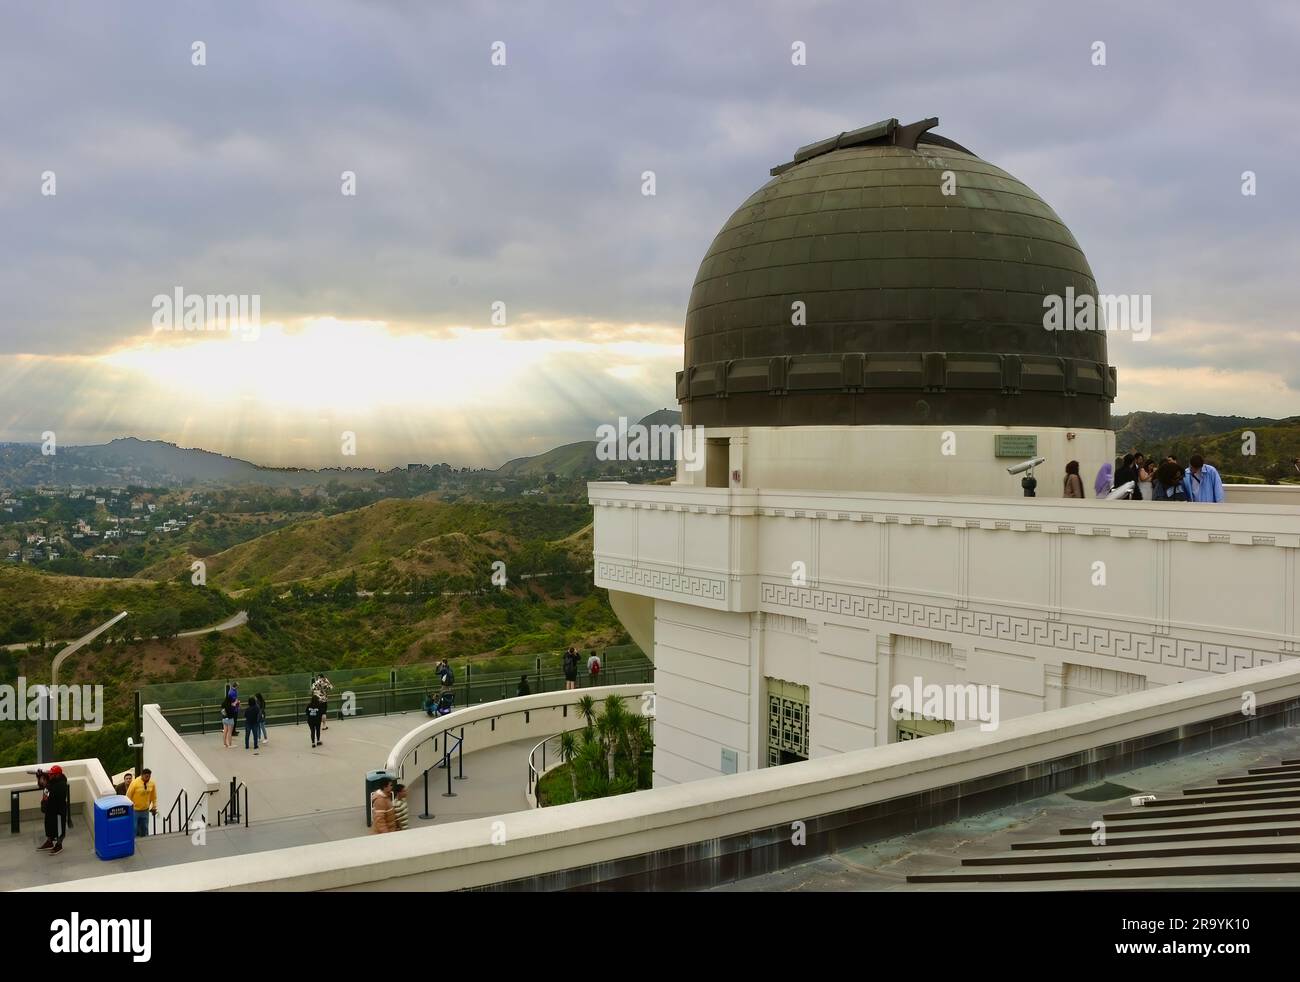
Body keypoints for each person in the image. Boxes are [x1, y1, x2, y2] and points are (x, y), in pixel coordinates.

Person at [39, 764, 70, 855]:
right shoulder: (53, 781)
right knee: (49, 825)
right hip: (50, 810)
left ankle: (59, 845)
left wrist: (45, 784)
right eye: (50, 774)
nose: (50, 775)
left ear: (58, 775)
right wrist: (40, 776)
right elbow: (43, 786)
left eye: (52, 774)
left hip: (58, 810)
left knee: (59, 829)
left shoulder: (61, 784)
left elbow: (51, 793)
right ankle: (49, 842)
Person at [125, 769, 157, 838]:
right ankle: (134, 843)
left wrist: (154, 806)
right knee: (134, 828)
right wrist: (128, 808)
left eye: (148, 776)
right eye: (146, 776)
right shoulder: (135, 783)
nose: (147, 778)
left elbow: (153, 796)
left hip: (145, 809)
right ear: (142, 775)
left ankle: (145, 842)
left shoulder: (152, 784)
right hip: (134, 810)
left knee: (145, 828)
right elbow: (128, 796)